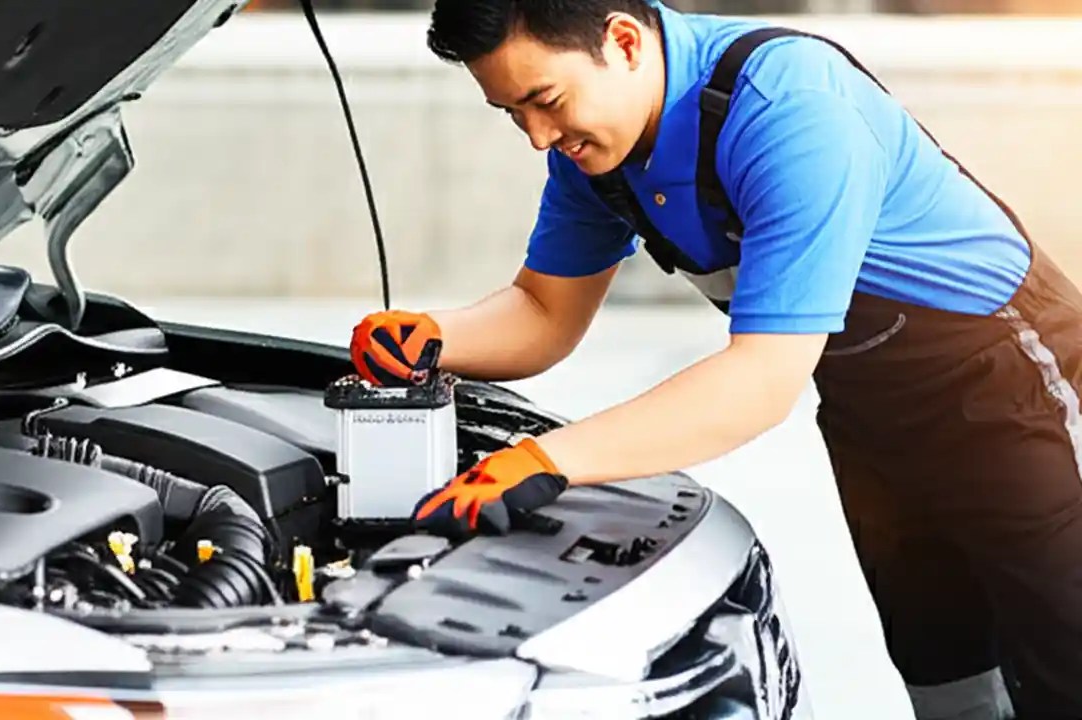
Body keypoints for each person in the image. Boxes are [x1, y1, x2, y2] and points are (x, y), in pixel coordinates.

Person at [346, 1, 1082, 717]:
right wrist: (432, 336)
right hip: (870, 408)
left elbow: (759, 382)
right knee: (942, 665)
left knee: (1064, 659)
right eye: (513, 113)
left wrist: (546, 460)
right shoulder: (597, 147)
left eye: (545, 100)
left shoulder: (788, 109)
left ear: (625, 43)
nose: (538, 137)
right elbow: (544, 314)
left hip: (1012, 384)